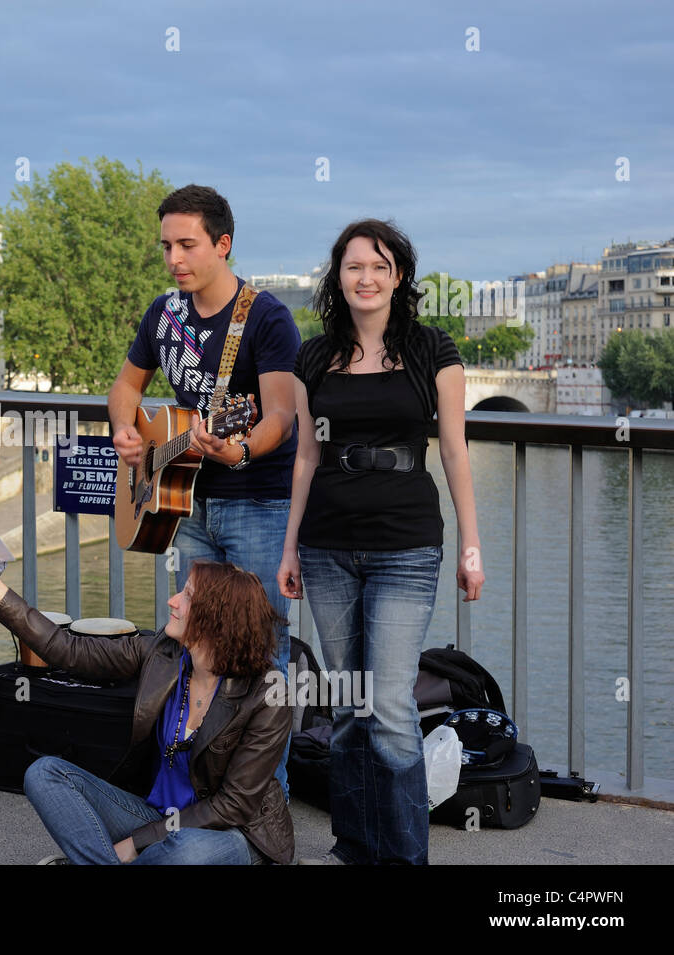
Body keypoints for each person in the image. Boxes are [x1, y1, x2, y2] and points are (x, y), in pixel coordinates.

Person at [276, 219, 484, 865]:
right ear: (337, 277)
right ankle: (355, 847)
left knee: (390, 708)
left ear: (398, 276)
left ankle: (404, 856)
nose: (365, 277)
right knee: (348, 707)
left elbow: (454, 451)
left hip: (406, 545)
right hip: (328, 545)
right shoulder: (313, 357)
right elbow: (306, 458)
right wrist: (289, 548)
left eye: (379, 265)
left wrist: (472, 545)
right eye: (353, 266)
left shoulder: (432, 350)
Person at [107, 184, 300, 794]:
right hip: (186, 499)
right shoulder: (164, 313)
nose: (173, 258)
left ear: (223, 244)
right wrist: (126, 434)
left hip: (258, 499)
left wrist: (238, 447)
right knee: (196, 639)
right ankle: (193, 779)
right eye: (166, 245)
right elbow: (125, 389)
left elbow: (277, 415)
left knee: (264, 640)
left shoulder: (267, 317)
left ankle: (267, 791)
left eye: (186, 244)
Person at [0, 548, 293, 865]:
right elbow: (67, 649)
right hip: (155, 814)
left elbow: (233, 806)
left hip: (230, 834)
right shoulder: (161, 651)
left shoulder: (267, 694)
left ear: (216, 618)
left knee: (188, 853)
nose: (172, 601)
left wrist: (136, 843)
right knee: (44, 773)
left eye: (186, 596)